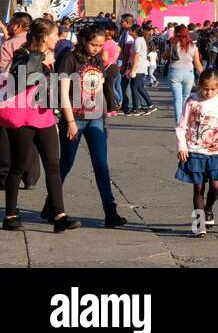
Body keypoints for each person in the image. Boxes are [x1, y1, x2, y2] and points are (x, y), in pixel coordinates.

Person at [1, 20, 80, 232]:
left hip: (44, 116)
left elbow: (50, 90)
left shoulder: (51, 57)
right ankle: (10, 214)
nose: (58, 38)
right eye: (55, 35)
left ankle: (59, 214)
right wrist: (42, 59)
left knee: (53, 164)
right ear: (44, 37)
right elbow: (21, 78)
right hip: (23, 117)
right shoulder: (22, 53)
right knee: (18, 166)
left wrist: (58, 117)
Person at [55, 24, 129, 229]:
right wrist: (69, 121)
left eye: (100, 45)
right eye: (93, 44)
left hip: (95, 117)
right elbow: (63, 93)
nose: (97, 48)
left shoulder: (97, 59)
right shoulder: (70, 59)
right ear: (85, 40)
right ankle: (52, 205)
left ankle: (110, 211)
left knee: (101, 165)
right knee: (66, 164)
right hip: (74, 118)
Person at [175, 68, 218, 236]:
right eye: (206, 88)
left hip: (215, 150)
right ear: (199, 86)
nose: (208, 92)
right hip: (194, 149)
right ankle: (199, 224)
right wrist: (182, 146)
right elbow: (181, 126)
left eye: (213, 89)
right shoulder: (192, 101)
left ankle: (208, 208)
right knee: (198, 188)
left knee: (216, 184)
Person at [166, 26, 204, 124]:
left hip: (174, 73)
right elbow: (197, 63)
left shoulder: (172, 44)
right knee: (186, 98)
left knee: (177, 99)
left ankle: (179, 123)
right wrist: (204, 75)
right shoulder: (192, 46)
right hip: (188, 74)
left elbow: (164, 56)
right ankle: (185, 122)